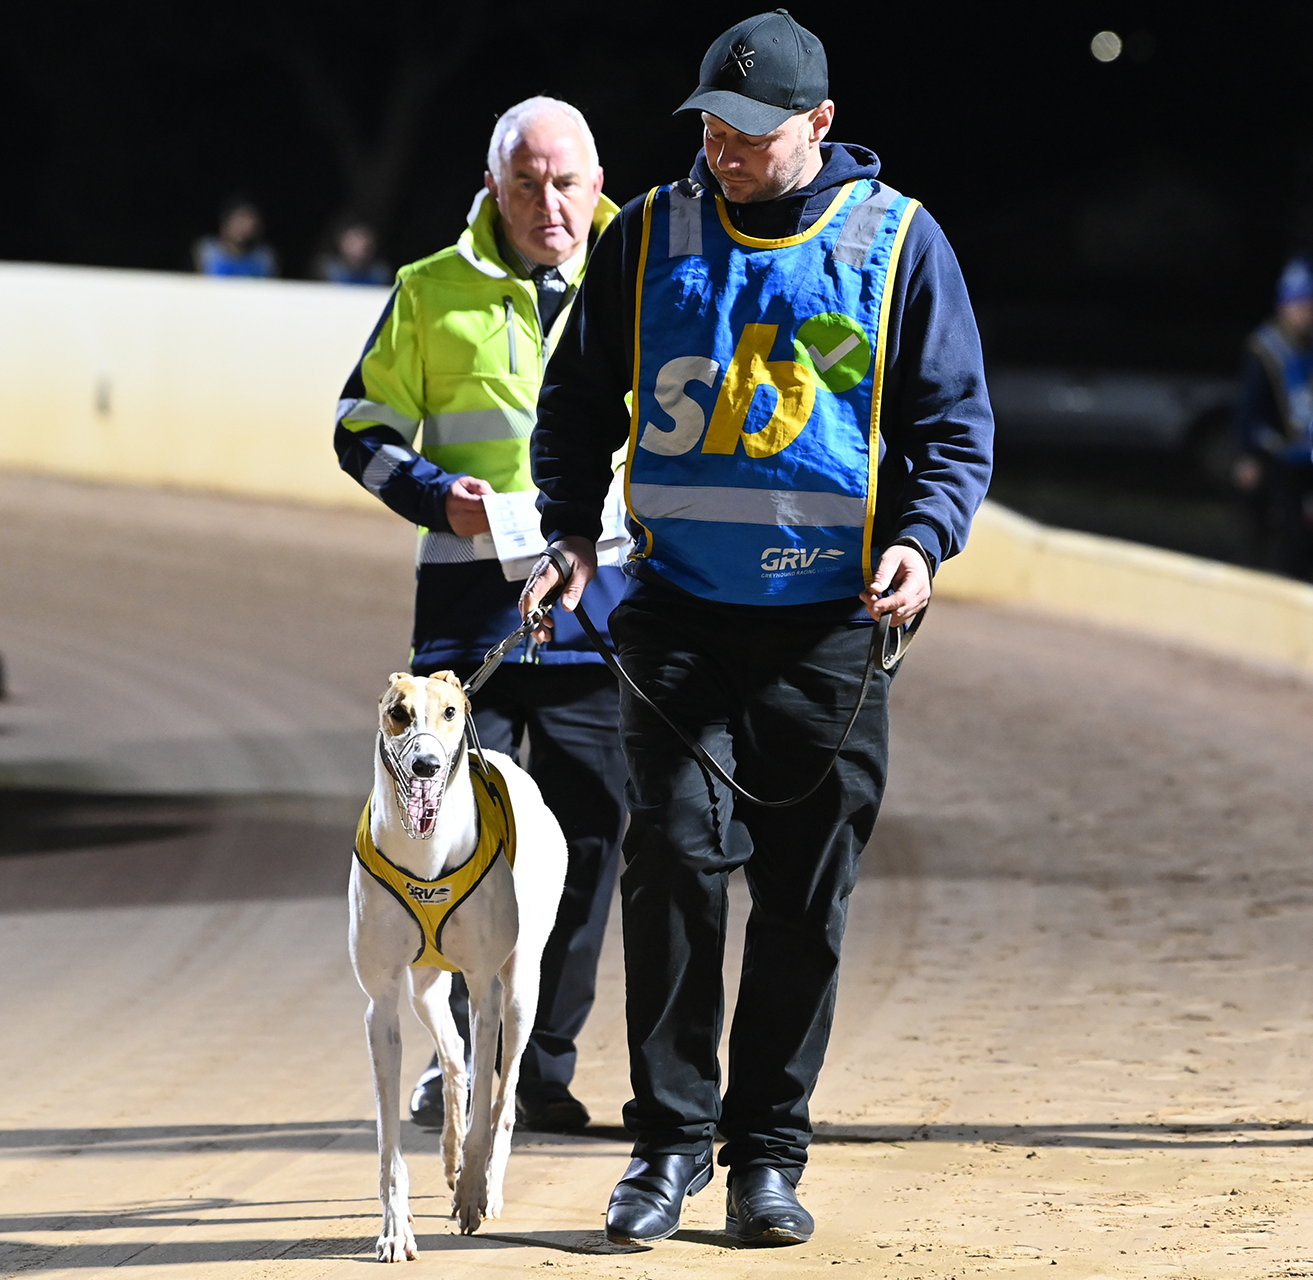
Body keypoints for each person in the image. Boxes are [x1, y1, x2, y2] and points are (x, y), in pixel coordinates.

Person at [522, 10, 992, 1247]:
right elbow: (574, 402)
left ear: (818, 126)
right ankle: (667, 1145)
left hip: (829, 632)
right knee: (672, 860)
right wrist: (572, 530)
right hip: (677, 615)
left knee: (804, 897)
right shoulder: (649, 235)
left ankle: (766, 1156)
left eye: (750, 130)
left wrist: (921, 537)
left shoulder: (897, 244)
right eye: (710, 125)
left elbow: (954, 427)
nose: (722, 146)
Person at [331, 96, 627, 1134]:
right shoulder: (429, 290)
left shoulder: (646, 275)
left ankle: (539, 1064)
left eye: (569, 180)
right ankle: (455, 1054)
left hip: (606, 614)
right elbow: (358, 425)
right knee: (449, 843)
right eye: (528, 180)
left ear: (598, 181)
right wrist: (432, 492)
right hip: (470, 623)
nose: (550, 202)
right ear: (492, 183)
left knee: (588, 839)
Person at [1233, 255, 1313, 580]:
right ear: (1285, 307)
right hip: (1280, 455)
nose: (1308, 312)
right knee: (1288, 534)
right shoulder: (1266, 348)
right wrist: (1247, 454)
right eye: (1300, 304)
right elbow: (1248, 406)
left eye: (1312, 304)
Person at [194, 195, 277, 278]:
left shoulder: (264, 258)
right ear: (225, 221)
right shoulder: (207, 251)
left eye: (249, 220)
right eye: (239, 218)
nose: (243, 226)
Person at [314, 219, 393, 285]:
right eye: (353, 242)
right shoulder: (327, 271)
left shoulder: (380, 274)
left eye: (364, 242)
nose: (360, 247)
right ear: (341, 242)